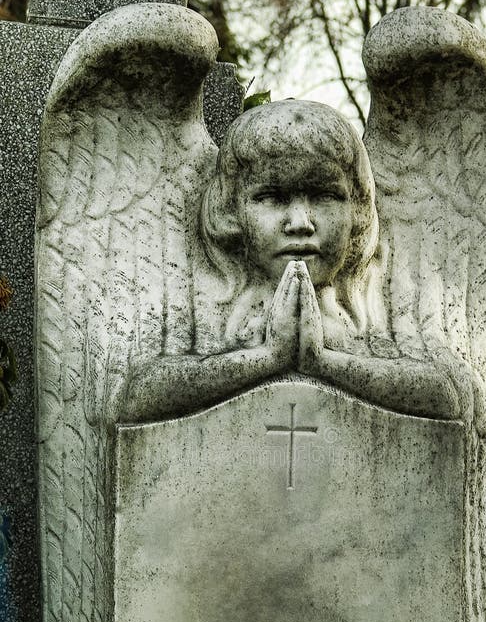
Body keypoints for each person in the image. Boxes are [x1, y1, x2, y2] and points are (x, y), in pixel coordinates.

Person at [120, 100, 460, 424]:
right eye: (272, 197)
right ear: (231, 212)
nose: (300, 222)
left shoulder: (377, 299)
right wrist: (267, 358)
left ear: (357, 209)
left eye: (325, 195)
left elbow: (442, 397)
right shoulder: (204, 300)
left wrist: (322, 361)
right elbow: (139, 396)